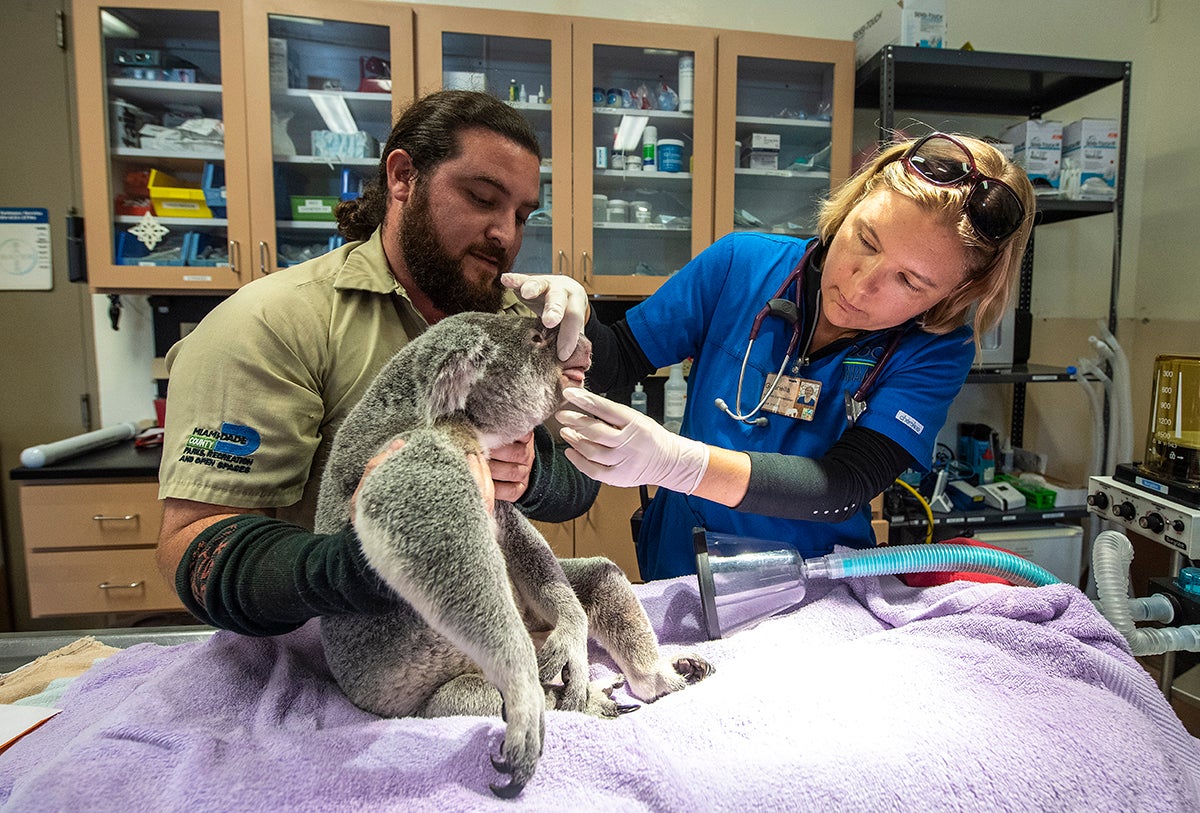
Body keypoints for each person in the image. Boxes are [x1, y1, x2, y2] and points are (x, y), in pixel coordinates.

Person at [157, 90, 598, 636]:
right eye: (484, 199)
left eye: (522, 215)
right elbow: (191, 542)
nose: (505, 234)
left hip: (477, 638)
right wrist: (368, 564)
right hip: (328, 660)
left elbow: (586, 478)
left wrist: (531, 474)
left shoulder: (515, 323)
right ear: (402, 177)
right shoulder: (272, 323)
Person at [507, 132, 1035, 581]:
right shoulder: (741, 265)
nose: (862, 283)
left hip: (814, 585)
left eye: (909, 280)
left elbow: (846, 485)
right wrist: (573, 328)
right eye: (866, 241)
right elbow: (619, 360)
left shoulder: (938, 349)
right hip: (683, 564)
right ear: (850, 206)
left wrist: (679, 463)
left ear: (955, 295)